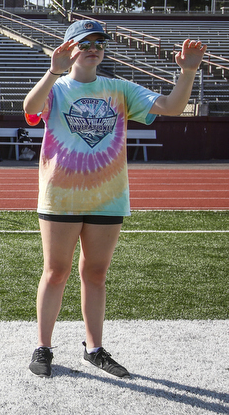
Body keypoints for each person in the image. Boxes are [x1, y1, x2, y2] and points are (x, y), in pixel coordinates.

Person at [22, 19, 207, 379]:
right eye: (85, 42)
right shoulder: (57, 89)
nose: (94, 48)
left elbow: (171, 106)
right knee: (56, 272)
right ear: (68, 48)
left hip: (108, 196)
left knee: (95, 273)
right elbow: (30, 108)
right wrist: (51, 72)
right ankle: (43, 347)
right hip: (60, 195)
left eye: (99, 43)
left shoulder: (120, 89)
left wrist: (187, 72)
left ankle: (94, 349)